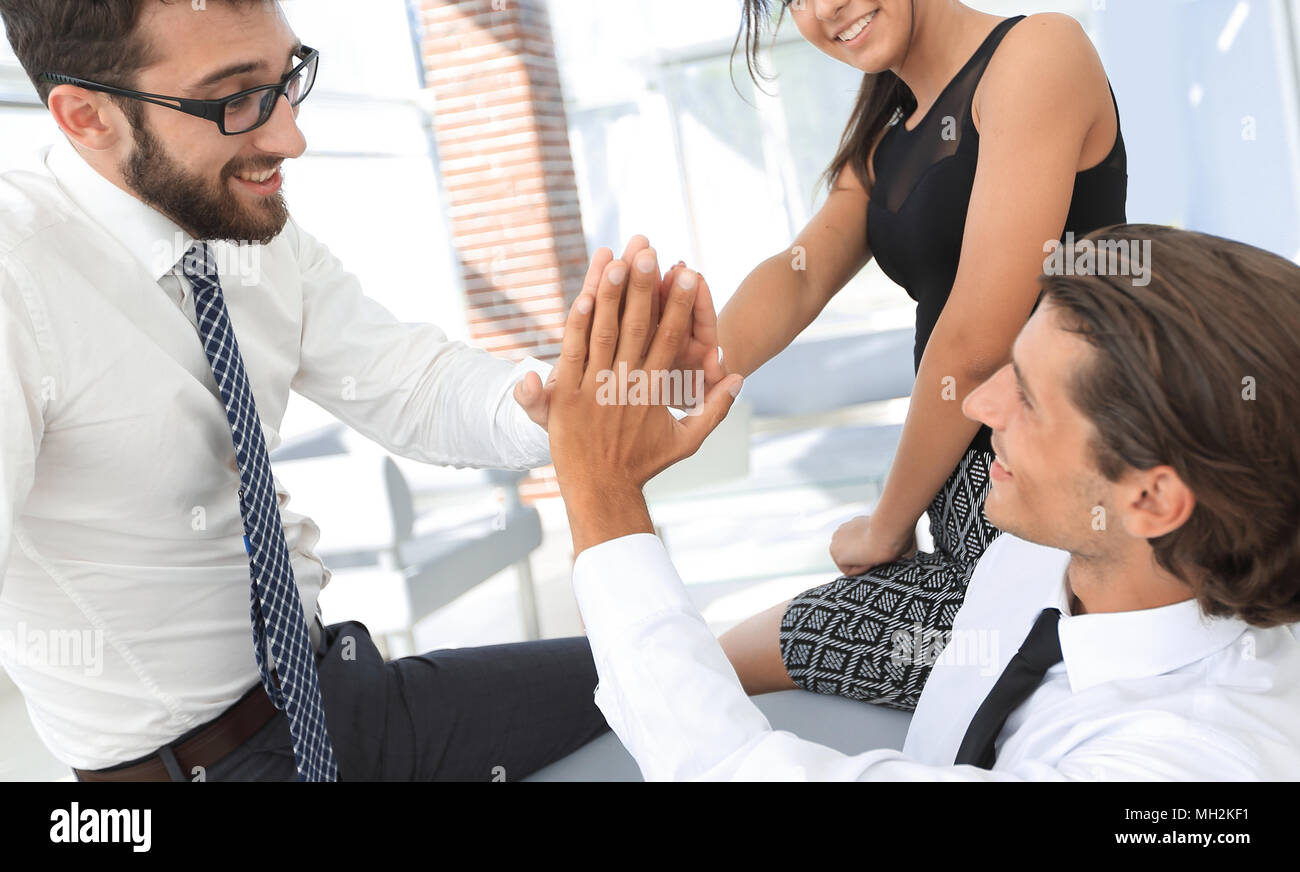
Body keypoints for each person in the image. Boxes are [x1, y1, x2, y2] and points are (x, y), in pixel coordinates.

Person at [0, 0, 623, 781]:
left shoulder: (236, 218)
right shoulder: (16, 277)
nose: (290, 135)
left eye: (286, 77)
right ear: (86, 116)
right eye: (233, 99)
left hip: (339, 692)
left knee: (673, 672)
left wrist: (563, 403)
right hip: (202, 767)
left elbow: (408, 382)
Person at [546, 225, 1300, 780]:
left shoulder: (1190, 773)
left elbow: (732, 768)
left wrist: (602, 490)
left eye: (1028, 400)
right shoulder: (1041, 558)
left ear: (1153, 500)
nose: (980, 400)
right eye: (1008, 366)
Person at [710, 1, 1128, 709]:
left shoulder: (1036, 53)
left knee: (711, 669)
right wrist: (674, 373)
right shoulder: (887, 134)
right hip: (973, 526)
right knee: (703, 667)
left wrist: (885, 524)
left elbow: (974, 346)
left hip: (1055, 514)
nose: (824, 10)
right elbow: (803, 273)